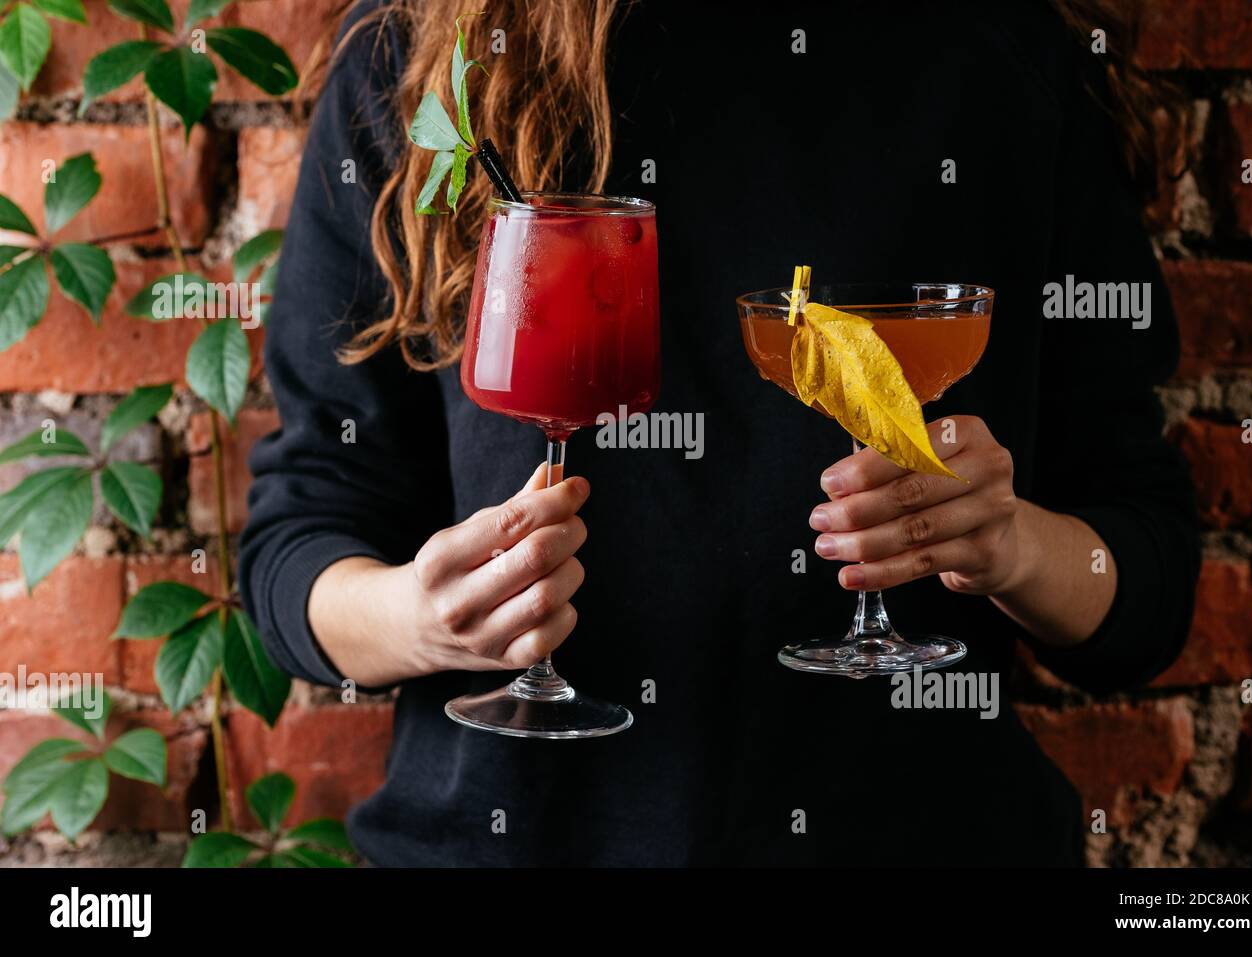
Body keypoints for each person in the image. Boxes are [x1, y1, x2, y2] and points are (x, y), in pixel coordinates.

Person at [239, 0, 1200, 866]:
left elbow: (1143, 585)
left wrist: (1012, 545)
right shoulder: (427, 51)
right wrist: (419, 615)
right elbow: (299, 543)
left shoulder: (1004, 45)